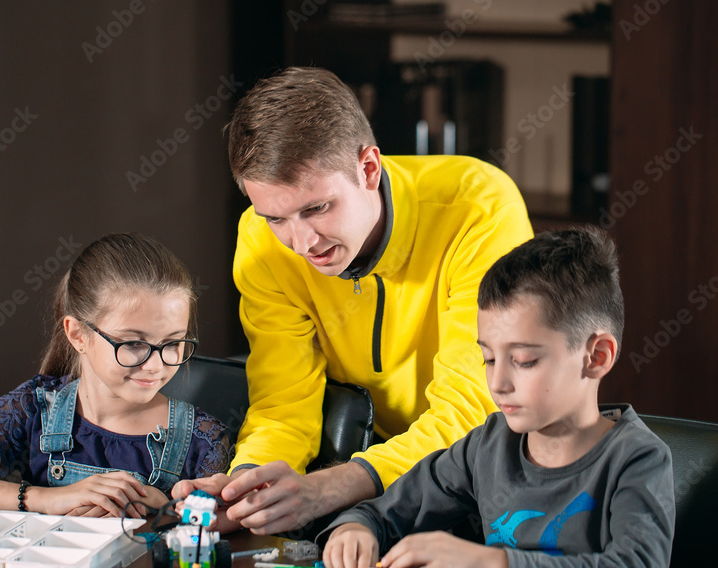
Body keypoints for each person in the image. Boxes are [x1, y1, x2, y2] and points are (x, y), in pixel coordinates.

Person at [173, 66, 533, 534]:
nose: (302, 244)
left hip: (481, 478)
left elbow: (473, 410)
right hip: (360, 476)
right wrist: (246, 486)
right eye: (276, 218)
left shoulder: (481, 208)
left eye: (317, 208)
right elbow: (283, 405)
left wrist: (330, 487)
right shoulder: (261, 244)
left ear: (368, 169)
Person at [321, 229, 675, 568]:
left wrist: (494, 565)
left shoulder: (638, 459)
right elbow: (384, 511)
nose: (498, 383)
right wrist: (354, 529)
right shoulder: (487, 446)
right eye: (489, 359)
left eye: (523, 361)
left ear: (597, 356)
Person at [0, 233, 234, 517]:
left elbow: (222, 527)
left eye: (173, 343)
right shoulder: (32, 409)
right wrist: (43, 499)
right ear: (78, 335)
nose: (156, 365)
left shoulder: (204, 440)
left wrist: (168, 513)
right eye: (132, 343)